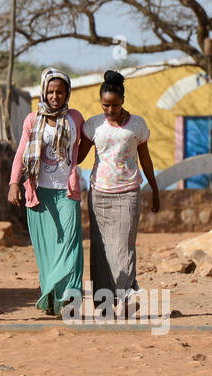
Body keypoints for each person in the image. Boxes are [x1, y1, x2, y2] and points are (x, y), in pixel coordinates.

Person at [77, 70, 160, 317]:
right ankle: (104, 304)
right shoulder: (93, 125)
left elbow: (145, 158)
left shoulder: (138, 125)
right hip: (99, 194)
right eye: (105, 106)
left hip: (129, 193)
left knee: (124, 246)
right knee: (101, 250)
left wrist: (154, 188)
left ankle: (126, 296)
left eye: (114, 105)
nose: (110, 110)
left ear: (122, 100)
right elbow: (78, 157)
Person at [8, 67, 90, 316]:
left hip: (67, 192)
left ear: (67, 93)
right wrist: (13, 183)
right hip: (39, 191)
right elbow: (22, 152)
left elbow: (85, 144)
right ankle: (53, 299)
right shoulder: (32, 119)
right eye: (51, 92)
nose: (55, 96)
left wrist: (74, 164)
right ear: (44, 92)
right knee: (47, 249)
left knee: (71, 246)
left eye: (60, 92)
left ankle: (71, 298)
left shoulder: (76, 118)